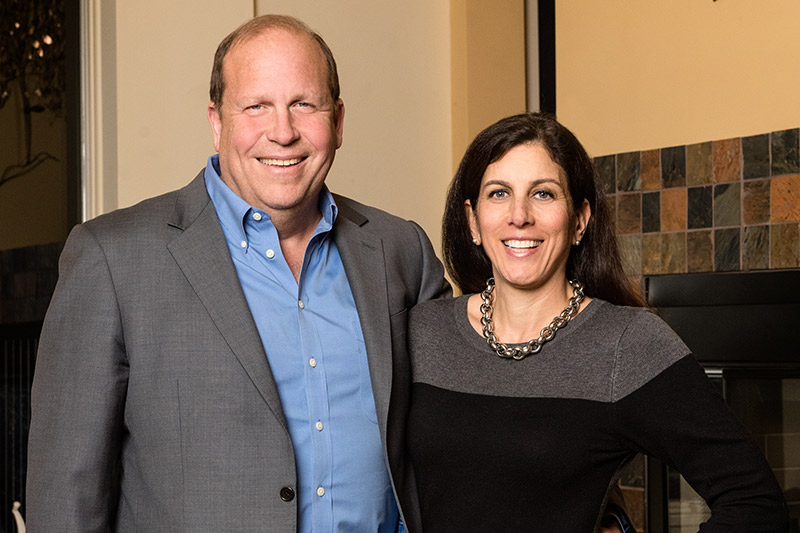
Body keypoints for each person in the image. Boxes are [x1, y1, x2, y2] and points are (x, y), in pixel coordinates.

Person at [26, 14, 448, 532]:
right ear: (217, 121)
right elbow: (66, 496)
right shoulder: (113, 260)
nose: (283, 132)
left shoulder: (399, 250)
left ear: (337, 121)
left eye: (303, 104)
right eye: (257, 106)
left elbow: (454, 442)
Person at [406, 112, 790, 532]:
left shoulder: (627, 345)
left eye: (544, 194)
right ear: (472, 220)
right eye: (498, 193)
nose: (519, 215)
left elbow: (754, 502)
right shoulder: (424, 333)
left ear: (579, 221)